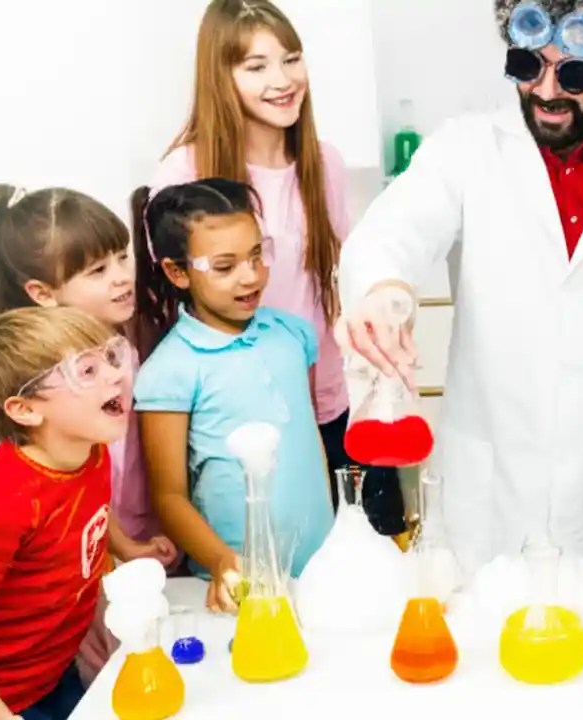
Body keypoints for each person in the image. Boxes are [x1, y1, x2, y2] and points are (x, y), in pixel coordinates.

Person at [334, 0, 583, 572]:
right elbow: (393, 231)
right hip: (492, 487)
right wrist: (382, 291)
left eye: (573, 74)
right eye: (528, 65)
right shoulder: (466, 148)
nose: (546, 90)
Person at [149, 0, 406, 533]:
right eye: (257, 66)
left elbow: (340, 277)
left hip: (330, 402)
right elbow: (174, 314)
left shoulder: (324, 163)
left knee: (368, 549)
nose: (283, 80)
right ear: (220, 76)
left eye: (291, 59)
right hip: (238, 415)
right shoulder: (184, 171)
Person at [0, 184, 178, 686]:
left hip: (116, 544)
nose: (122, 276)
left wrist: (127, 545)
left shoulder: (119, 343)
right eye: (97, 270)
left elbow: (91, 484)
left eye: (122, 256)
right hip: (76, 576)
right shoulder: (53, 392)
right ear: (43, 294)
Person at [131, 178, 333, 612]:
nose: (251, 276)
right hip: (240, 586)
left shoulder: (293, 335)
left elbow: (309, 439)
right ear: (177, 272)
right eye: (225, 267)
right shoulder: (169, 371)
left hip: (322, 572)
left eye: (257, 255)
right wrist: (222, 561)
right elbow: (169, 496)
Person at [0, 307, 130, 720]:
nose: (115, 375)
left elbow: (86, 521)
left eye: (111, 358)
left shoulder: (91, 452)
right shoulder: (2, 502)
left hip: (54, 675)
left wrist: (128, 548)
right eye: (86, 371)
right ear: (25, 410)